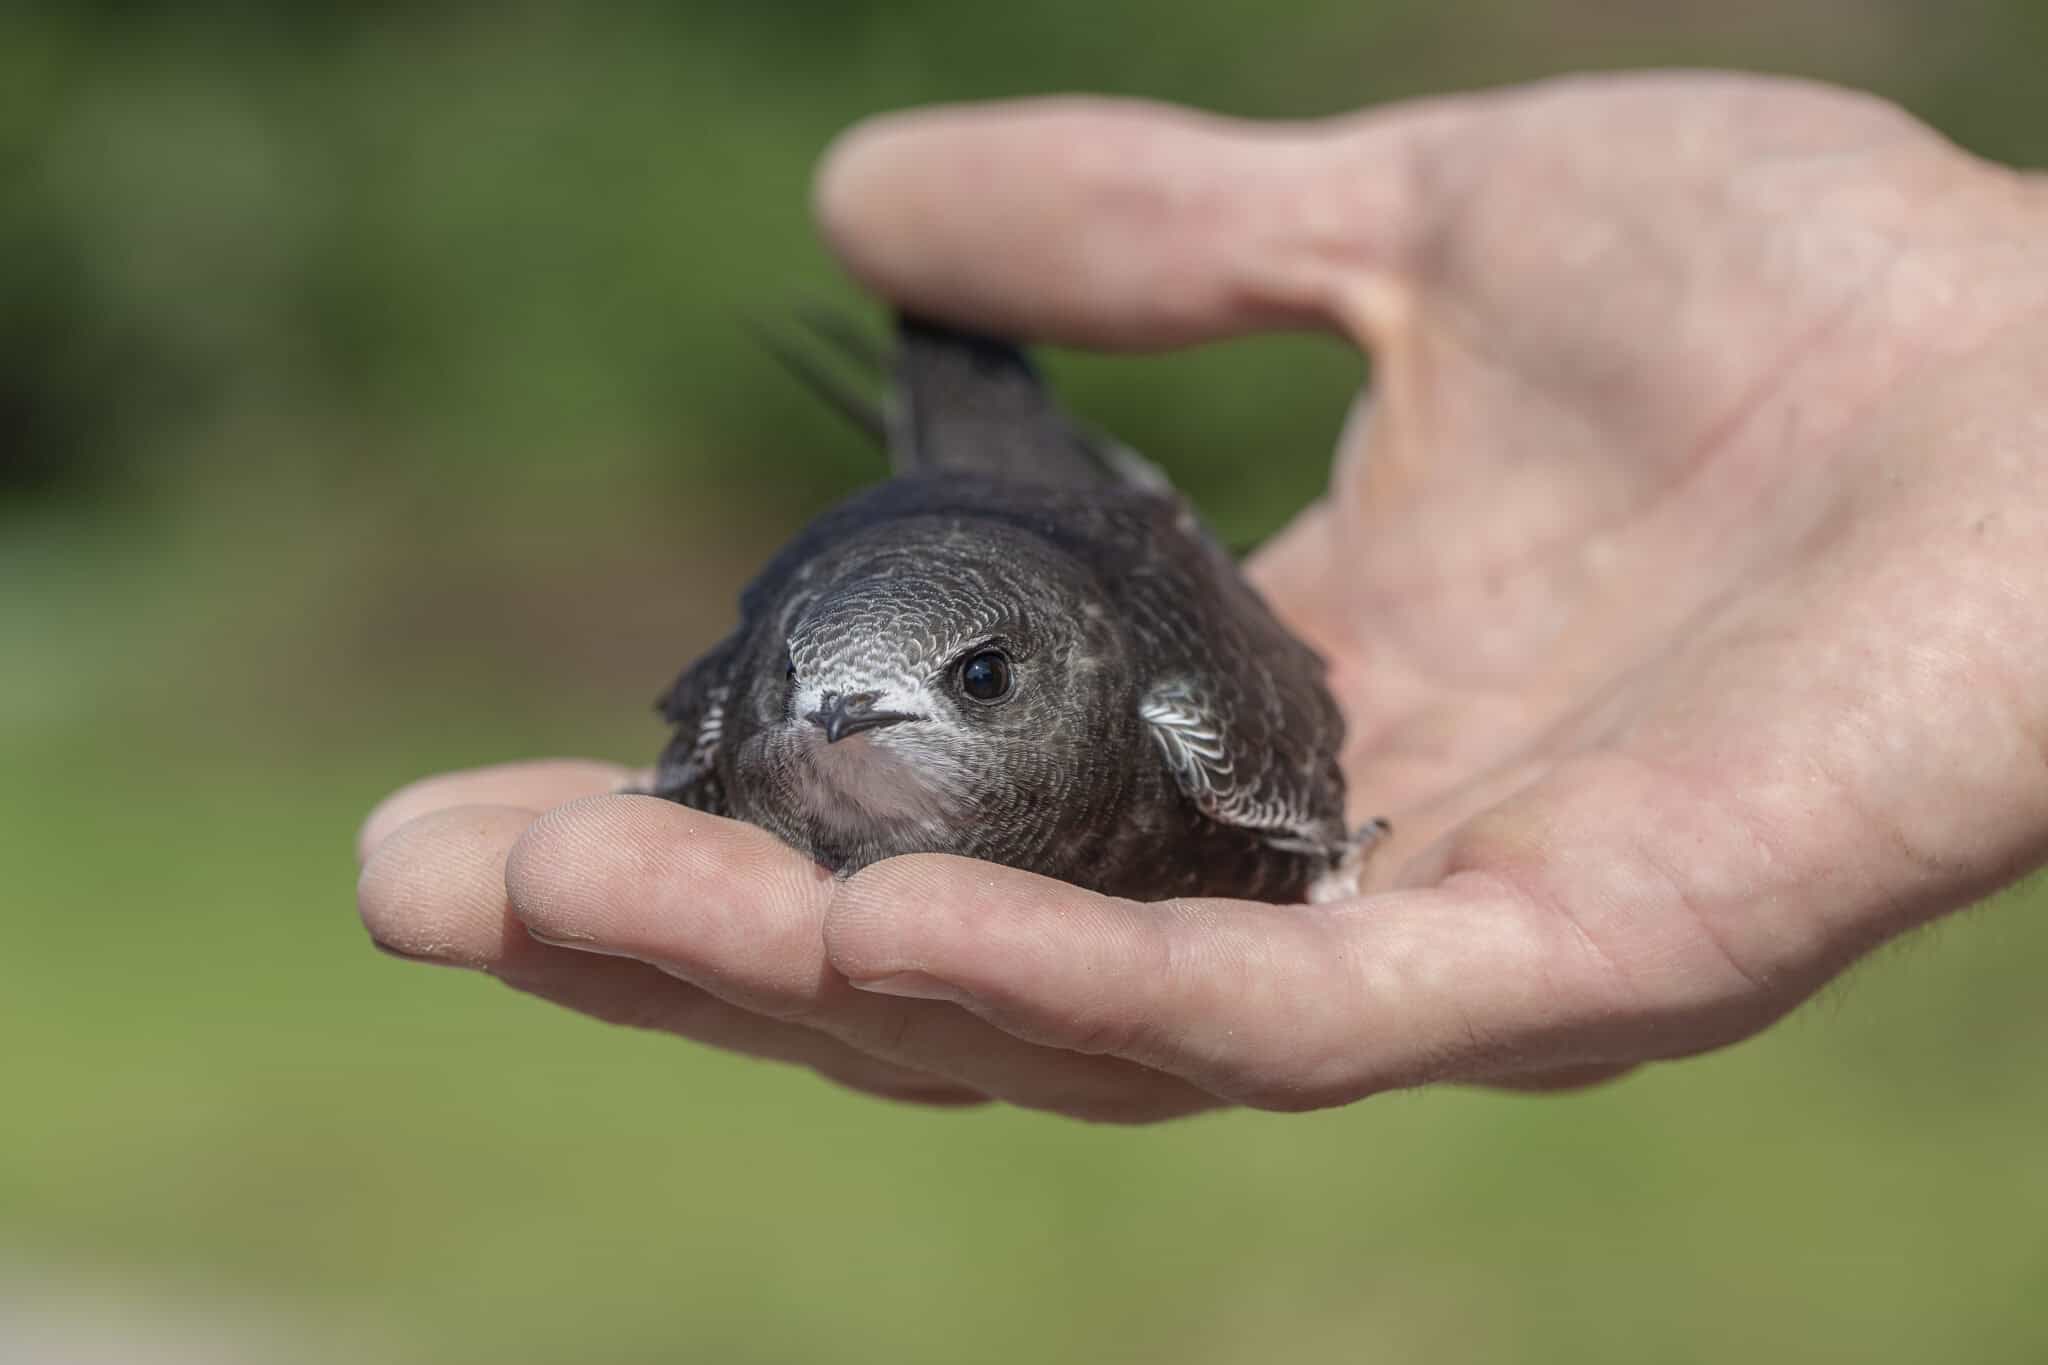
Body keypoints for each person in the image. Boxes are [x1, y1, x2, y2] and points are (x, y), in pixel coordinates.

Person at [355, 72, 2048, 1122]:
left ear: (1055, 686)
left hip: (1076, 526)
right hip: (956, 523)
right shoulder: (773, 708)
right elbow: (809, 692)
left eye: (966, 688)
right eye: (808, 691)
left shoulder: (1180, 714)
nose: (836, 724)